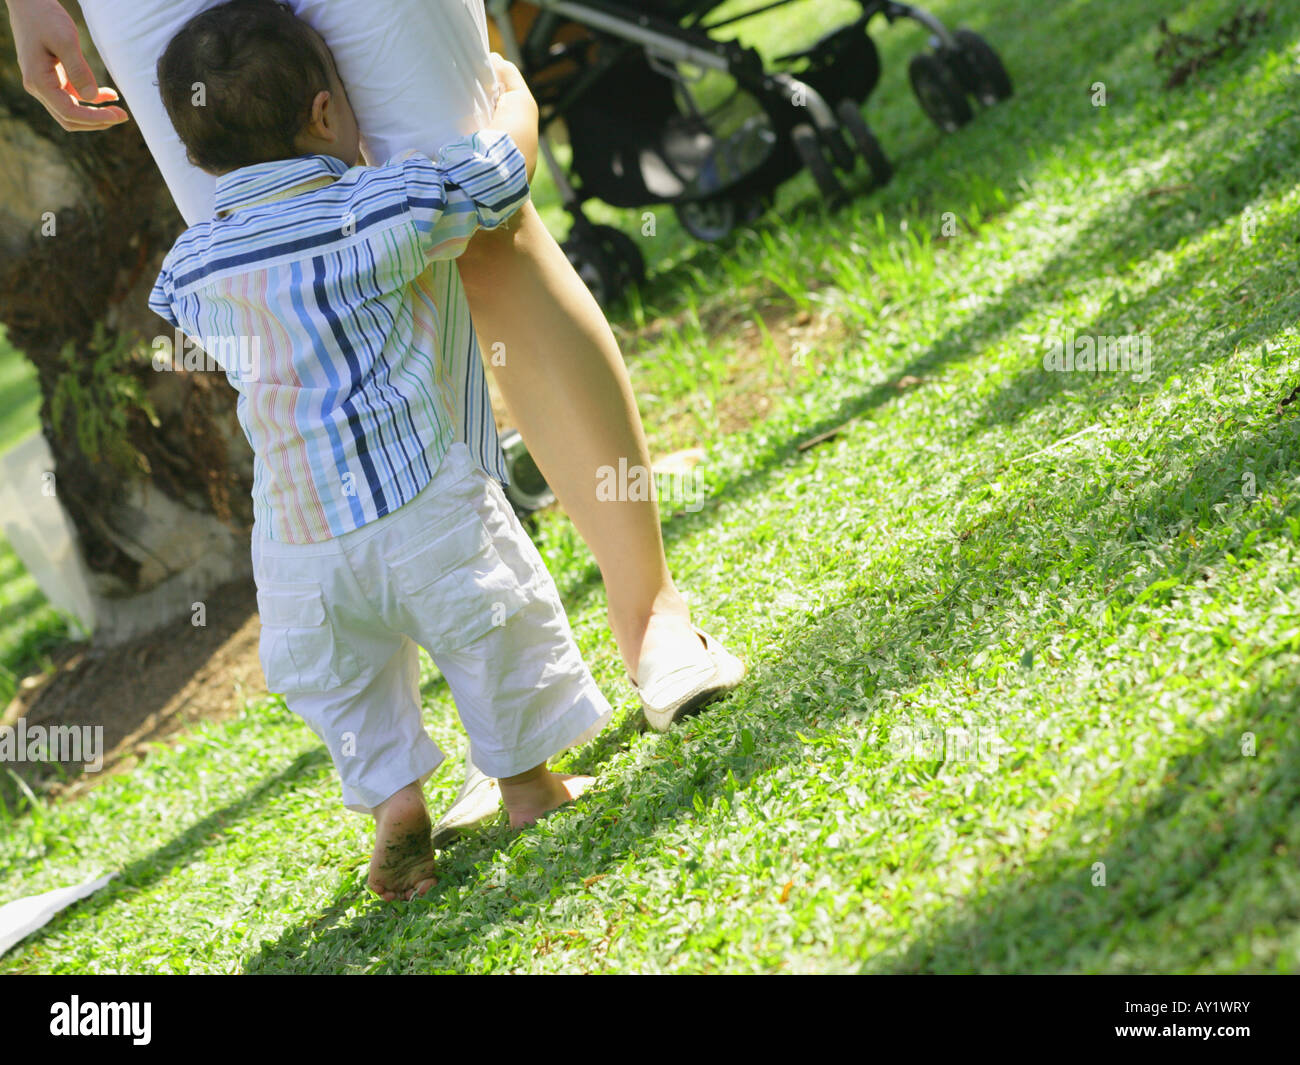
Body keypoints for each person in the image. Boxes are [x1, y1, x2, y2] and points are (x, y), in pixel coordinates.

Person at [4, 0, 744, 841]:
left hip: (308, 552)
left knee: (459, 241)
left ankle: (650, 620)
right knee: (293, 250)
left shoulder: (177, 279)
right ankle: (504, 744)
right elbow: (482, 179)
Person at [148, 0, 613, 901]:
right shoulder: (375, 203)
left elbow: (184, 307)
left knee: (345, 686)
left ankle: (397, 804)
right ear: (326, 114)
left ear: (197, 158)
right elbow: (491, 181)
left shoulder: (193, 267)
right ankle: (528, 786)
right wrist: (512, 102)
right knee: (492, 626)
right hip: (420, 500)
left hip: (298, 543)